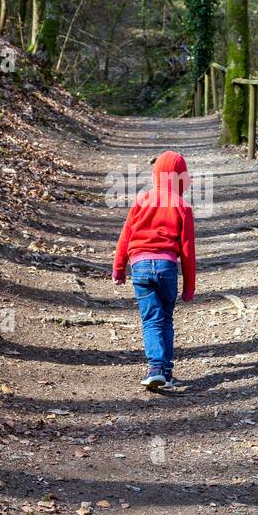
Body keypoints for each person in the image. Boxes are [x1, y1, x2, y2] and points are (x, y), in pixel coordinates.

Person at [112, 150, 196, 391]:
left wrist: (119, 268)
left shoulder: (141, 200)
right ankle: (165, 371)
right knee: (166, 319)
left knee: (151, 320)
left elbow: (125, 237)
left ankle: (156, 368)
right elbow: (188, 251)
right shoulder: (182, 206)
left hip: (139, 266)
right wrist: (189, 286)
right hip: (167, 267)